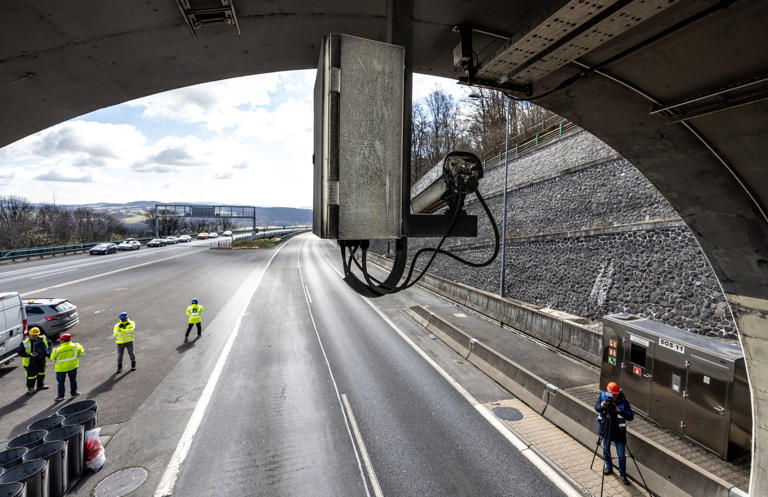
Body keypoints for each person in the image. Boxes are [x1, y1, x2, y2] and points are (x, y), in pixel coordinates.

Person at [595, 381, 634, 485]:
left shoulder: (623, 401)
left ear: (618, 393)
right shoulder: (603, 396)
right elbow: (596, 407)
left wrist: (619, 411)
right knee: (606, 450)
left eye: (615, 395)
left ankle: (623, 474)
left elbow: (631, 416)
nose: (613, 398)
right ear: (607, 392)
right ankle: (608, 466)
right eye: (611, 395)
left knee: (621, 454)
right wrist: (602, 406)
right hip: (606, 428)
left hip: (619, 432)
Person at [50, 333, 84, 401]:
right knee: (73, 380)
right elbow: (81, 353)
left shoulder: (57, 350)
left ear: (62, 341)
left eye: (60, 340)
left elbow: (52, 359)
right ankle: (74, 393)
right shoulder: (76, 346)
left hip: (61, 369)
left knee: (61, 382)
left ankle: (61, 396)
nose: (59, 341)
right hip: (72, 366)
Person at [17, 327, 51, 394]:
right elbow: (20, 353)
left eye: (36, 335)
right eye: (32, 335)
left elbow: (50, 344)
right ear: (29, 334)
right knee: (31, 376)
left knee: (41, 373)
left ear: (38, 334)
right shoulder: (25, 342)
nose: (34, 336)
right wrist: (29, 354)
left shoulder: (43, 339)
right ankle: (30, 389)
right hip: (31, 362)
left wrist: (48, 352)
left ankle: (40, 385)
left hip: (41, 360)